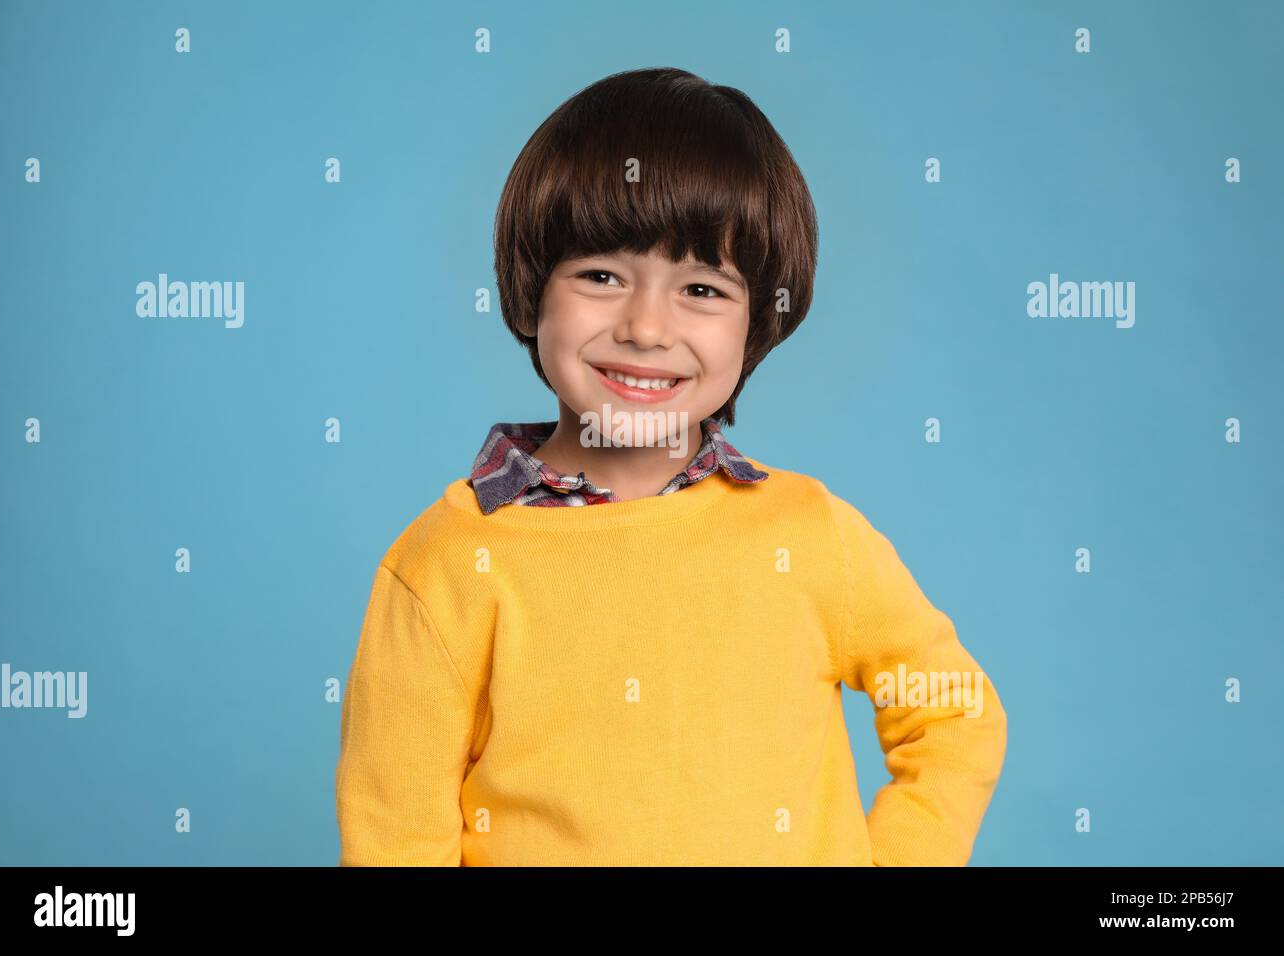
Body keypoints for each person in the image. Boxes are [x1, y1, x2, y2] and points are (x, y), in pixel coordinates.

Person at [335, 67, 1007, 866]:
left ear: (758, 324)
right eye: (601, 276)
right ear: (529, 295)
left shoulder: (811, 537)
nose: (648, 329)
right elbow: (395, 839)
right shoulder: (445, 567)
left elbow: (954, 711)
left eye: (701, 287)